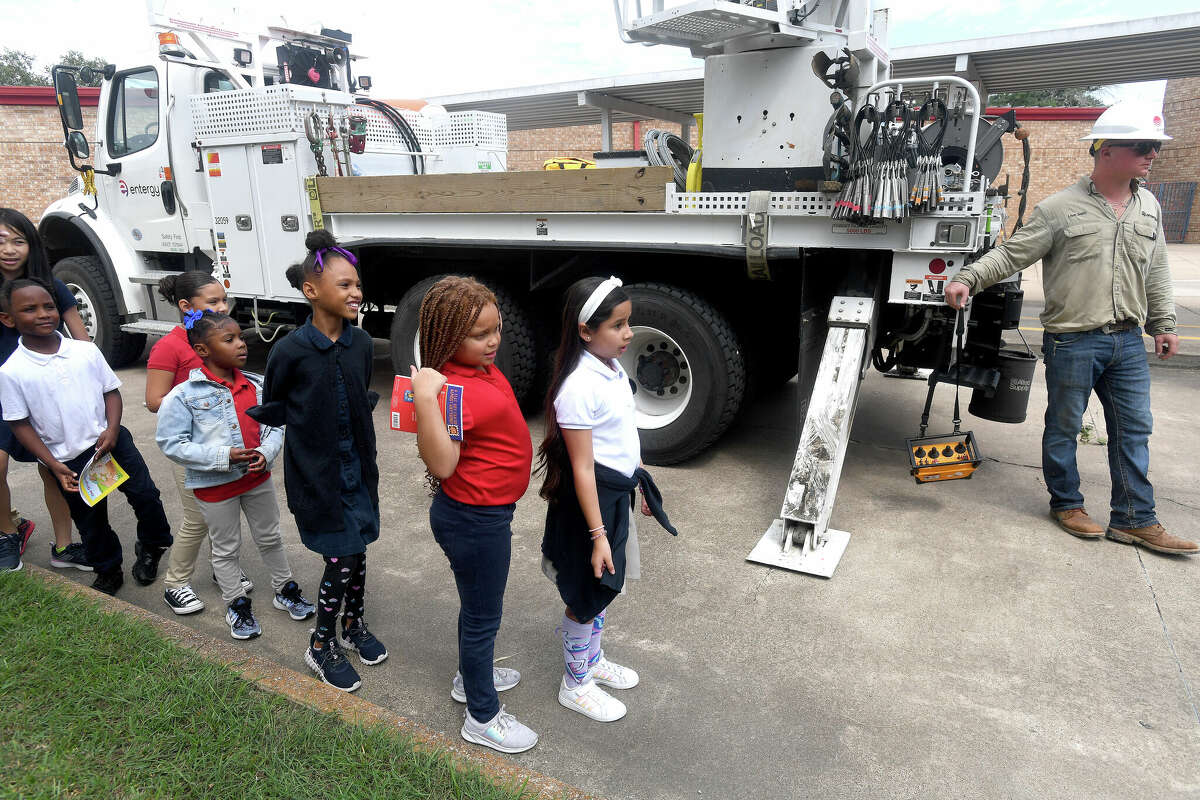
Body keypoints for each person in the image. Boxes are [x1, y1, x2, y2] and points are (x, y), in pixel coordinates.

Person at [944, 103, 1196, 555]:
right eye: (1142, 146)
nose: (1152, 154)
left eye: (1154, 146)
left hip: (1128, 342)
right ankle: (1067, 503)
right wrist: (968, 277)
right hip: (1073, 341)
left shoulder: (1149, 207)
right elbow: (1012, 254)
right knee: (1064, 427)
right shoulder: (1060, 209)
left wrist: (1163, 323)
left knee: (1134, 431)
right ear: (1105, 150)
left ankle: (1135, 519)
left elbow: (1156, 269)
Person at [247, 231, 387, 690]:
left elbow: (360, 392)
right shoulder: (290, 350)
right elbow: (276, 404)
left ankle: (353, 624)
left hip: (358, 468)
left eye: (357, 285)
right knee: (342, 555)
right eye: (344, 285)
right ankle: (321, 643)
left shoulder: (362, 343)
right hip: (317, 476)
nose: (356, 293)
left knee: (358, 549)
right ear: (311, 290)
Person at [536, 276, 676, 723]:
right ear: (585, 330)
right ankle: (575, 683)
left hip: (614, 495)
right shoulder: (579, 387)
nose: (628, 334)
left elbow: (622, 437)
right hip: (588, 507)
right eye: (617, 325)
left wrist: (639, 481)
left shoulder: (611, 369)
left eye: (628, 322)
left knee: (601, 592)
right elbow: (582, 468)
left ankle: (591, 661)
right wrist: (598, 536)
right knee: (585, 592)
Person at [411, 275, 537, 755]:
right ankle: (482, 716)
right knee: (484, 617)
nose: (493, 341)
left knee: (477, 609)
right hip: (474, 521)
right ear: (447, 337)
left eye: (496, 328)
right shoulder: (449, 389)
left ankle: (471, 676)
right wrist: (426, 397)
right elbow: (442, 464)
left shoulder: (477, 370)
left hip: (485, 515)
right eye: (480, 334)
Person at [0, 278, 173, 593]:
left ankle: (152, 545)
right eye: (30, 309)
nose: (43, 314)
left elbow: (111, 391)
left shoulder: (84, 351)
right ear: (8, 319)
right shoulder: (12, 371)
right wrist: (52, 463)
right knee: (91, 522)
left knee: (146, 496)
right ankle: (108, 568)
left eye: (49, 306)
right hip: (69, 460)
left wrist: (112, 427)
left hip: (111, 442)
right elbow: (19, 423)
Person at [156, 310, 316, 639]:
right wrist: (222, 456)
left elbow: (274, 426)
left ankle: (284, 589)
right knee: (226, 548)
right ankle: (236, 604)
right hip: (215, 488)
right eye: (229, 340)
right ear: (202, 350)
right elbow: (172, 443)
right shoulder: (183, 396)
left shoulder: (257, 385)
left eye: (241, 337)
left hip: (257, 481)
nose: (241, 344)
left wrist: (265, 452)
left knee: (270, 537)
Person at [146, 271, 241, 615]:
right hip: (189, 448)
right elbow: (154, 400)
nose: (223, 307)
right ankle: (175, 584)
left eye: (224, 300)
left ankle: (222, 568)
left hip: (222, 445)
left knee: (222, 511)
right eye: (213, 301)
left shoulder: (221, 338)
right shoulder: (170, 346)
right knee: (198, 517)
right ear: (186, 306)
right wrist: (197, 402)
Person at [0, 209, 89, 572]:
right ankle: (7, 535)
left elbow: (81, 340)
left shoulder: (50, 286)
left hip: (44, 391)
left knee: (53, 467)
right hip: (2, 391)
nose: (9, 249)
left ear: (31, 245)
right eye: (1, 241)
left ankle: (64, 546)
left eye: (18, 240)